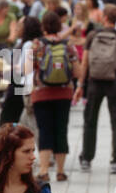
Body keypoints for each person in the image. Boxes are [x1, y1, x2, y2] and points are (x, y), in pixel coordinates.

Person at [76, 3, 116, 174]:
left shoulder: (93, 35)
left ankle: (86, 158)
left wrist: (80, 85)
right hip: (114, 82)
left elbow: (84, 62)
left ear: (104, 18)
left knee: (90, 120)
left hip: (94, 82)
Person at [26, 10, 79, 182]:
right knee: (61, 130)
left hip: (41, 94)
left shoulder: (37, 45)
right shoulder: (68, 44)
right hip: (64, 94)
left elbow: (27, 69)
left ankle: (43, 171)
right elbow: (77, 71)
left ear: (43, 27)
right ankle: (61, 171)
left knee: (45, 130)